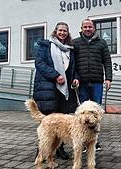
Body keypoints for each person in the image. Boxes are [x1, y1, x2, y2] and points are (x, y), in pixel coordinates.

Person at [33, 22, 77, 160]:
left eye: (65, 30)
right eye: (60, 30)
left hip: (64, 90)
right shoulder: (45, 46)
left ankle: (59, 149)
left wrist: (75, 78)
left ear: (67, 33)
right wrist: (55, 75)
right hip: (48, 88)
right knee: (47, 120)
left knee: (62, 121)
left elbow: (73, 69)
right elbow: (39, 63)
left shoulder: (70, 49)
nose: (62, 33)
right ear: (55, 31)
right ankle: (41, 150)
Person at [72, 18, 113, 151]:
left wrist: (109, 78)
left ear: (94, 28)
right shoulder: (75, 43)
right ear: (81, 28)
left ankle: (95, 141)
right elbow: (73, 64)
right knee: (83, 114)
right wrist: (75, 78)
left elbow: (107, 61)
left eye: (90, 27)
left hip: (97, 82)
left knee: (96, 113)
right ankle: (83, 141)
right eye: (85, 27)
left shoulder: (101, 42)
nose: (88, 29)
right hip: (82, 83)